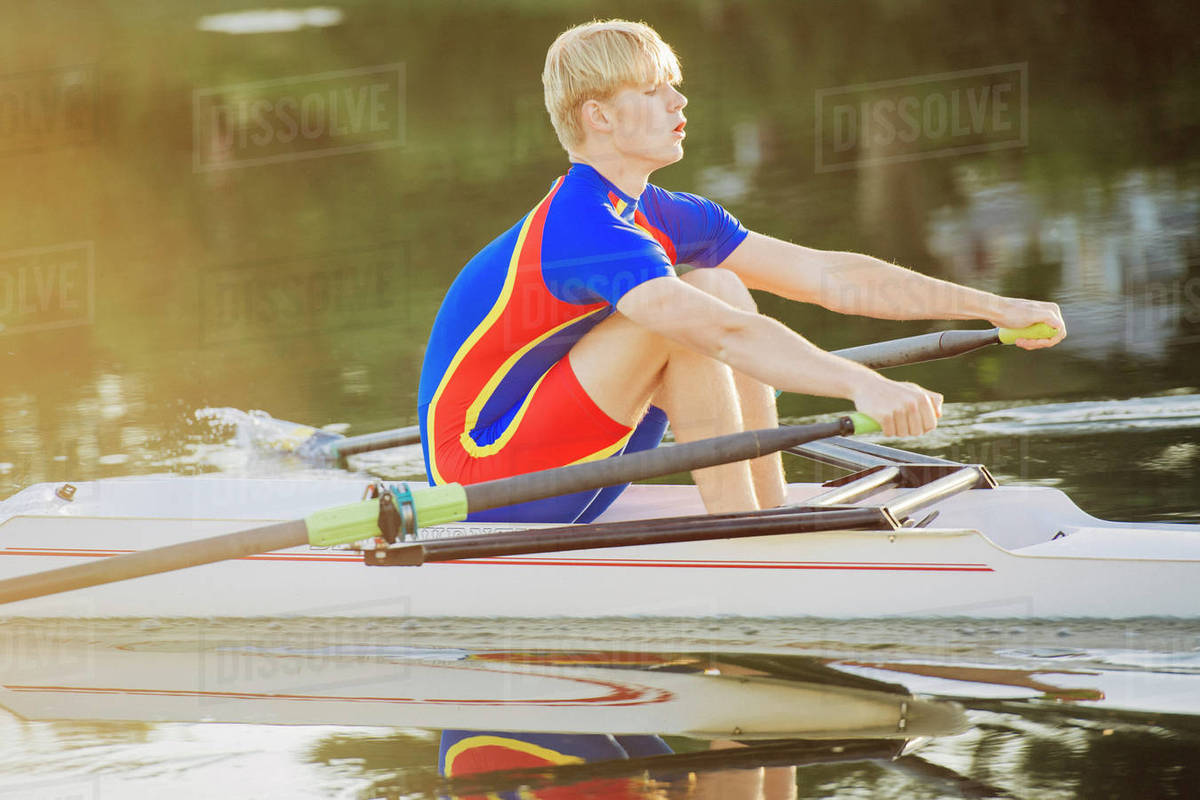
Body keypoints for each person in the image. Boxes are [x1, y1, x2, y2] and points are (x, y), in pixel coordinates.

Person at [416, 19, 1064, 523]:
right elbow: (725, 337)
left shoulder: (668, 214)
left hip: (568, 464)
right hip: (489, 484)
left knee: (719, 285)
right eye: (653, 90)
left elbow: (824, 275)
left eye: (673, 84)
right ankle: (744, 535)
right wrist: (861, 385)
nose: (679, 99)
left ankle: (768, 514)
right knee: (689, 322)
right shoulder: (586, 228)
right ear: (599, 116)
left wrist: (995, 306)